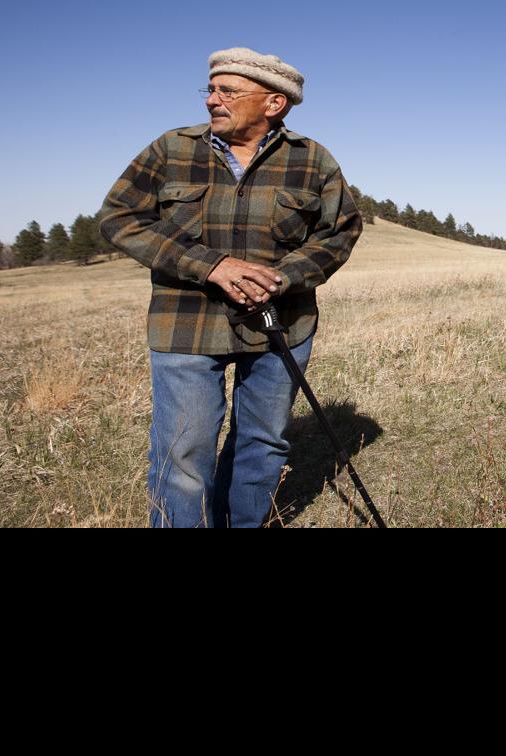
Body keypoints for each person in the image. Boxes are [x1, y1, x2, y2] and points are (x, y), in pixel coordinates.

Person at [99, 47, 362, 526]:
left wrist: (286, 276)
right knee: (183, 452)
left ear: (273, 103)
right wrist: (211, 265)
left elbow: (340, 232)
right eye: (211, 89)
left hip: (282, 324)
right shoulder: (171, 149)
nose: (212, 100)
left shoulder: (313, 161)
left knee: (262, 445)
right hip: (185, 325)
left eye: (228, 91)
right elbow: (120, 218)